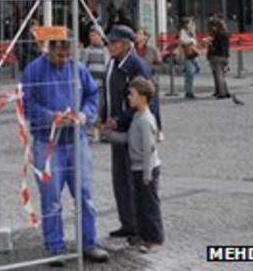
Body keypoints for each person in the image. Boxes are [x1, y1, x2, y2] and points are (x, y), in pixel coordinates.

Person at [21, 33, 110, 265]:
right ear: (49, 49)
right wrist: (51, 117)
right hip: (47, 143)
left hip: (77, 141)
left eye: (67, 55)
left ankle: (89, 243)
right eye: (59, 55)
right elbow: (26, 104)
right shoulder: (34, 71)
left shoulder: (78, 68)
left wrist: (85, 114)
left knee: (85, 195)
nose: (64, 60)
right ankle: (55, 246)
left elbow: (92, 94)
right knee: (51, 199)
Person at [98, 24, 160, 243]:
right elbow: (107, 94)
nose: (110, 46)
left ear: (126, 45)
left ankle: (139, 227)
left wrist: (120, 120)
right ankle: (127, 222)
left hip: (132, 129)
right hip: (116, 127)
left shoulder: (136, 66)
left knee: (134, 178)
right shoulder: (113, 63)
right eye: (109, 42)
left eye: (114, 43)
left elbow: (145, 100)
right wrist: (103, 116)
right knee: (120, 178)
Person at [104, 77, 163, 253]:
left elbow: (149, 149)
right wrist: (108, 134)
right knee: (140, 205)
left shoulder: (144, 120)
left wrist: (147, 174)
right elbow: (127, 138)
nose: (128, 97)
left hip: (146, 169)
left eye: (132, 94)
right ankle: (143, 237)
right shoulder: (137, 116)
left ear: (142, 97)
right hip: (138, 168)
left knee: (149, 205)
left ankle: (153, 239)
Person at [203, 16, 232, 100]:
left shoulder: (216, 35)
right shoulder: (226, 34)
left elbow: (214, 47)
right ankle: (225, 91)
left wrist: (209, 44)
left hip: (216, 56)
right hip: (225, 56)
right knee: (222, 75)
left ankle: (222, 93)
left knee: (219, 75)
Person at [177, 17, 199, 99]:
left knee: (191, 72)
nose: (191, 25)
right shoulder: (182, 31)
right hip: (186, 54)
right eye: (190, 23)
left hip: (192, 53)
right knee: (190, 72)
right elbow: (182, 41)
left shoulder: (191, 32)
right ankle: (189, 91)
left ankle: (189, 90)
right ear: (186, 24)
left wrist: (193, 32)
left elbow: (196, 42)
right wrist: (191, 41)